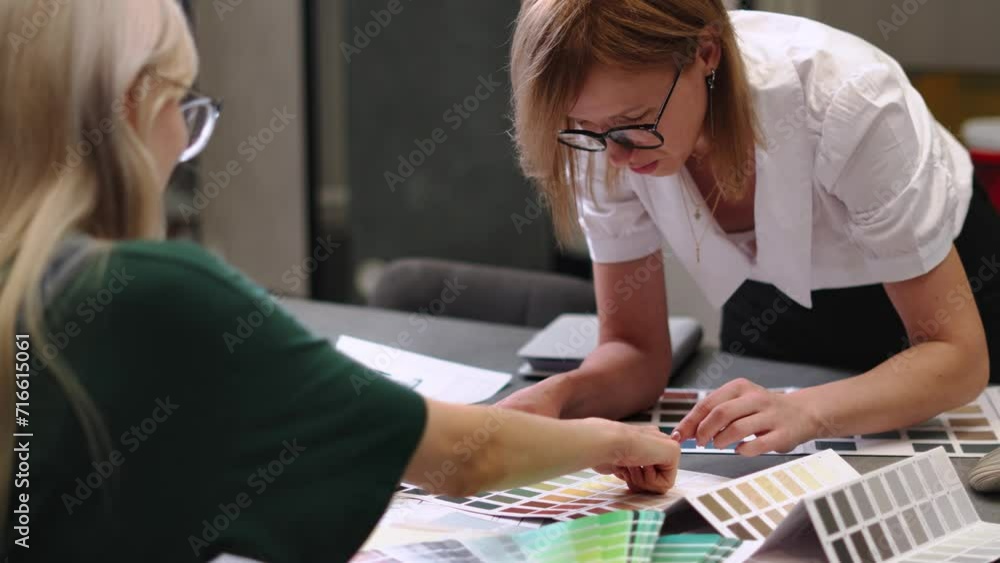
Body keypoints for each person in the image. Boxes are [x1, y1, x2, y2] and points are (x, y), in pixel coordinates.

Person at [0, 1, 681, 561]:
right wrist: (617, 442)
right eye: (183, 102)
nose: (183, 138)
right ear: (129, 108)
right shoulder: (157, 295)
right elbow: (460, 458)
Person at [501, 0, 1000, 456]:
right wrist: (557, 397)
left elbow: (955, 358)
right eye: (587, 128)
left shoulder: (853, 101)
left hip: (938, 293)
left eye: (635, 121)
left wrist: (808, 410)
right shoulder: (602, 132)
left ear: (706, 54)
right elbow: (634, 350)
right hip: (773, 294)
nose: (616, 155)